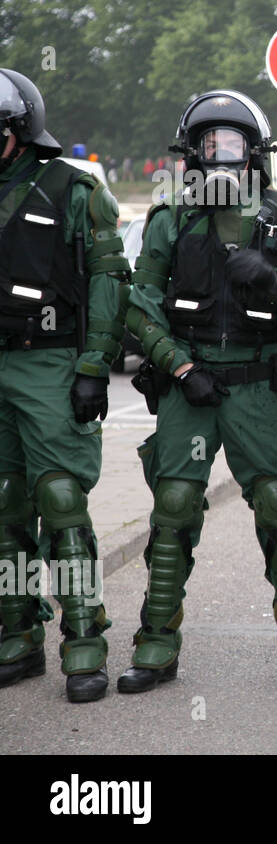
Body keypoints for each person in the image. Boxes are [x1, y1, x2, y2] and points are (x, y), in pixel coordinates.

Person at [114, 90, 277, 693]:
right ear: (192, 153)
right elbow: (139, 306)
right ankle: (155, 644)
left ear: (256, 154)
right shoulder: (170, 219)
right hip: (192, 385)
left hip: (262, 383)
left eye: (232, 143)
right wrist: (178, 366)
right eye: (210, 144)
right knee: (174, 504)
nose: (221, 155)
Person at [0, 68, 130, 702]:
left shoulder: (74, 190)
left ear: (20, 131)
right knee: (4, 505)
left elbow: (110, 284)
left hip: (49, 361)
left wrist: (92, 368)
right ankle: (18, 634)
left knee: (59, 498)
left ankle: (84, 638)